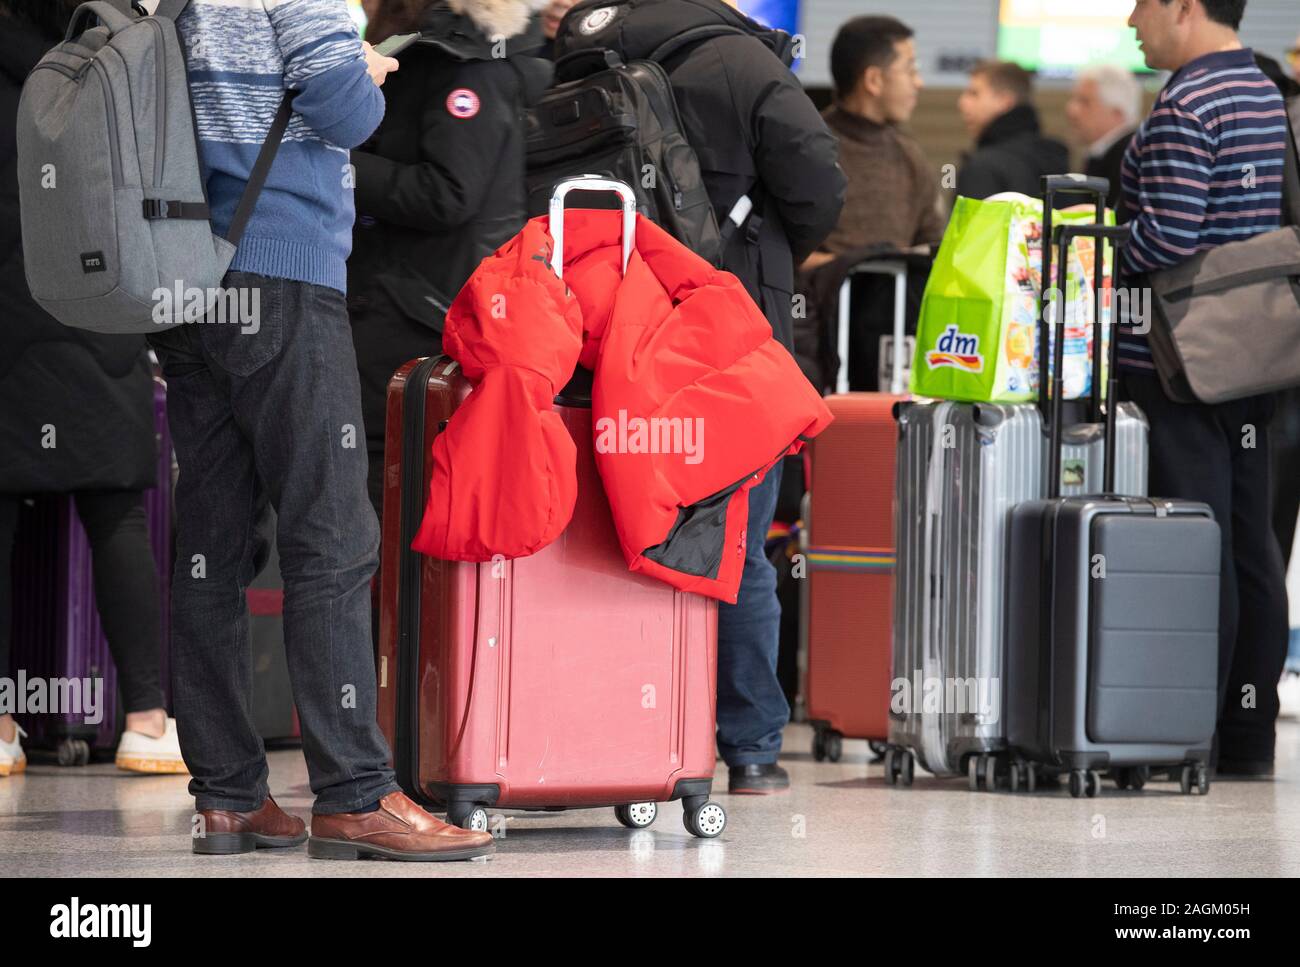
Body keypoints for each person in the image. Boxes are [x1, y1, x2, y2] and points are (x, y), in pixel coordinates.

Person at [148, 0, 492, 859]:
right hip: (281, 270)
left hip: (186, 280)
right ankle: (354, 793)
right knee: (331, 534)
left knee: (212, 540)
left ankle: (228, 793)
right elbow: (341, 108)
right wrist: (366, 72)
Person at [554, 0, 846, 794]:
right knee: (737, 536)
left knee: (623, 529)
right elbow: (820, 182)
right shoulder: (744, 63)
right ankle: (749, 745)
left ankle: (622, 731)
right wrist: (763, 246)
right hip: (728, 330)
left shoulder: (573, 57)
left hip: (607, 330)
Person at [0, 0, 185, 779]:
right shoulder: (119, 53)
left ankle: (2, 726)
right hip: (104, 307)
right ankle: (147, 718)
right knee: (118, 517)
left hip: (10, 314)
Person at [1118, 0, 1290, 777]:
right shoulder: (1261, 87)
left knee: (1195, 545)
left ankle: (1190, 733)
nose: (1131, 19)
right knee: (1251, 545)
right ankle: (1246, 737)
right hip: (1255, 353)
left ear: (1183, 6)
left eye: (1143, 4)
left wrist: (1085, 229)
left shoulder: (1188, 102)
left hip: (1177, 362)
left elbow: (1165, 237)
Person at [349, 0, 553, 517]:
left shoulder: (465, 65)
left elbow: (448, 193)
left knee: (387, 476)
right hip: (403, 302)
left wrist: (339, 168)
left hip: (423, 310)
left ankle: (387, 600)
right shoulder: (431, 54)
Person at [811, 14, 945, 262]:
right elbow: (783, 257)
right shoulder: (808, 146)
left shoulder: (909, 153)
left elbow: (935, 246)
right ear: (874, 80)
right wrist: (859, 266)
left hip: (898, 299)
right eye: (910, 69)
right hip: (819, 300)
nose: (919, 83)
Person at [956, 60, 1069, 199]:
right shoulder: (1056, 158)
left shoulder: (983, 167)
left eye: (974, 94)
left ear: (1005, 101)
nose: (962, 103)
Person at [1066, 64, 1143, 212]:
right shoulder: (1106, 156)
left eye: (1085, 101)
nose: (1071, 110)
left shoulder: (1130, 160)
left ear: (1117, 112)